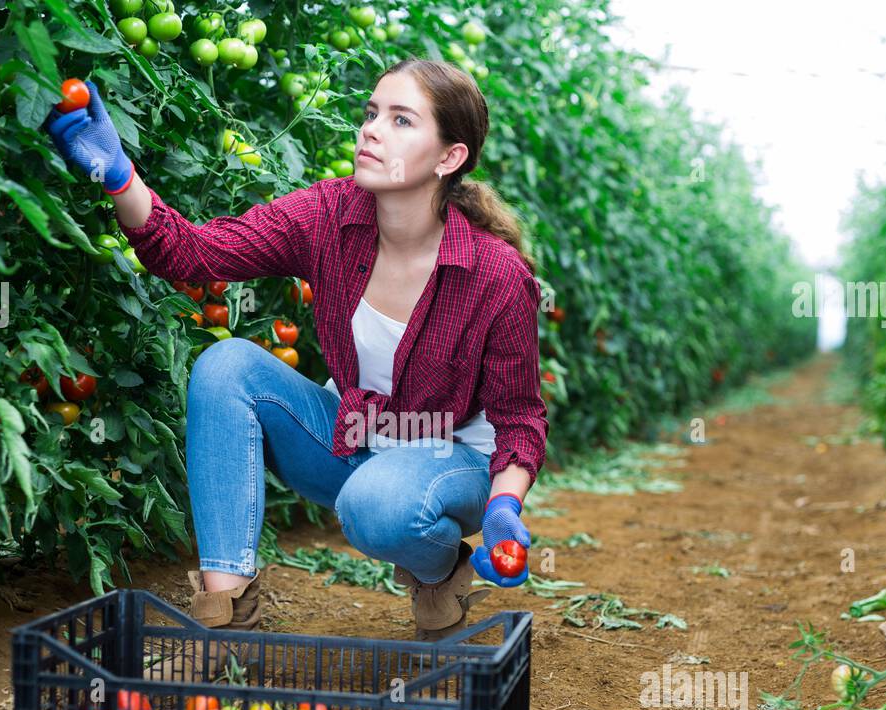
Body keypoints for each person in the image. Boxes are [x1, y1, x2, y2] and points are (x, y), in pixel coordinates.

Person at [43, 57, 547, 643]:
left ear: (449, 157)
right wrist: (121, 178)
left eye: (402, 120)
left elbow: (519, 418)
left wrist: (503, 508)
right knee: (225, 365)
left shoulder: (494, 274)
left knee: (376, 503)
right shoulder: (330, 217)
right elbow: (196, 254)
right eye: (372, 113)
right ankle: (228, 618)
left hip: (449, 458)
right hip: (353, 438)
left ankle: (439, 572)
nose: (372, 130)